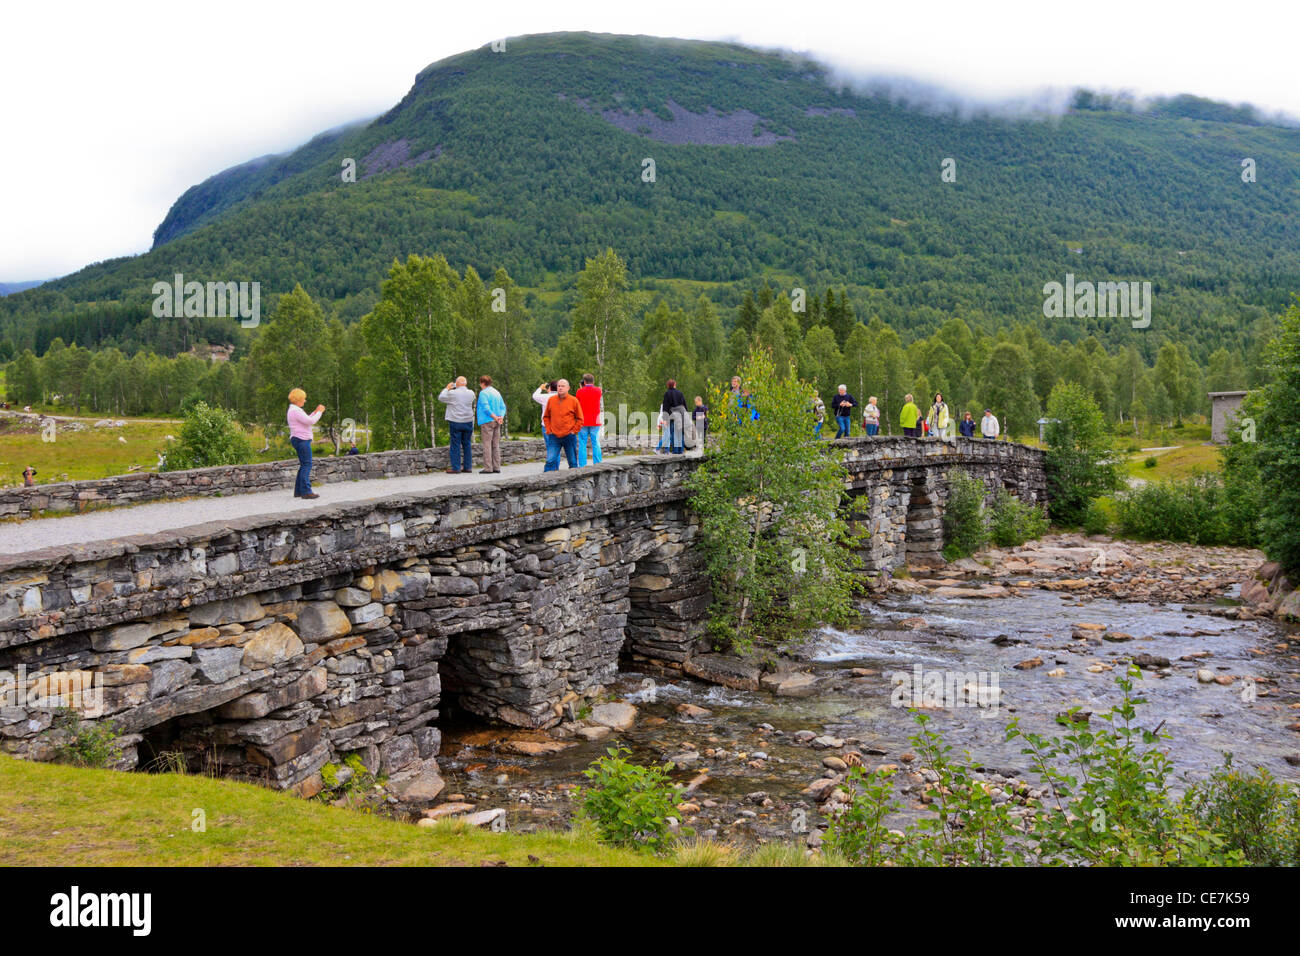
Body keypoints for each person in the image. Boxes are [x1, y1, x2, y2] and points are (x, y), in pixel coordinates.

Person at [287, 387, 325, 499]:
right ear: (298, 399)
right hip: (302, 440)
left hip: (298, 439)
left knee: (304, 465)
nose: (305, 400)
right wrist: (320, 412)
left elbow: (306, 419)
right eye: (303, 398)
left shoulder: (294, 410)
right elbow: (310, 421)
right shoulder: (295, 410)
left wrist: (315, 411)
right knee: (307, 465)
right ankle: (306, 492)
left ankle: (299, 491)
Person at [438, 376, 476, 473]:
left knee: (455, 444)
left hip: (456, 421)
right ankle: (468, 467)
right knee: (467, 444)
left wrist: (447, 388)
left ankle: (456, 468)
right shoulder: (471, 393)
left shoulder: (452, 393)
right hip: (468, 421)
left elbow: (441, 397)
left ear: (457, 384)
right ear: (466, 384)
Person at [543, 379, 583, 470]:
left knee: (572, 462)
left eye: (562, 386)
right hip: (554, 436)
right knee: (550, 461)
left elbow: (580, 419)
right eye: (559, 386)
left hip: (569, 436)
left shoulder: (574, 401)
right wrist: (549, 430)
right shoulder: (551, 400)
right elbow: (546, 417)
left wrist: (574, 431)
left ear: (568, 388)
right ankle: (547, 483)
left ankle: (575, 483)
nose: (560, 388)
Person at [476, 374, 506, 473]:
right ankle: (497, 467)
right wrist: (500, 417)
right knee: (495, 445)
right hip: (497, 421)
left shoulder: (483, 393)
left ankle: (488, 467)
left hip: (487, 420)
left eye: (480, 383)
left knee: (487, 445)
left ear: (483, 383)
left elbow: (485, 408)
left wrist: (494, 417)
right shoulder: (496, 392)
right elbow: (503, 406)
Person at [575, 373, 603, 466]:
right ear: (593, 381)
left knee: (582, 443)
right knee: (595, 442)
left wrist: (581, 387)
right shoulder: (598, 391)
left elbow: (577, 403)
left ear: (584, 381)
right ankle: (597, 463)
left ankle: (582, 464)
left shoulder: (579, 391)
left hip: (583, 420)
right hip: (595, 420)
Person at [533, 381, 558, 464]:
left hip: (546, 425)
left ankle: (551, 466)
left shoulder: (546, 397)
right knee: (556, 446)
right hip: (558, 425)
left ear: (549, 388)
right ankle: (556, 466)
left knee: (549, 446)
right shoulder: (561, 397)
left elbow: (534, 396)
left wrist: (540, 388)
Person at [662, 378, 688, 454]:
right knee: (680, 432)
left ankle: (675, 450)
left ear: (668, 385)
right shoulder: (680, 393)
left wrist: (665, 419)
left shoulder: (667, 394)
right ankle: (681, 450)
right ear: (674, 385)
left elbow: (665, 407)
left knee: (674, 433)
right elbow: (684, 405)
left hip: (672, 416)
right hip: (681, 415)